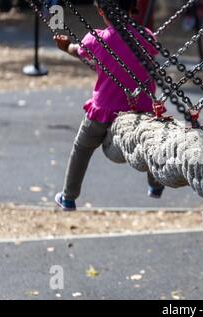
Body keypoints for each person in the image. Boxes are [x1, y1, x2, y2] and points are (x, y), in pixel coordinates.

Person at [53, 0, 165, 211]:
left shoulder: (97, 39)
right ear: (133, 8)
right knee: (152, 142)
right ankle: (155, 185)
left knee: (83, 147)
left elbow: (77, 50)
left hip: (104, 110)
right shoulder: (147, 36)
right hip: (141, 106)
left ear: (101, 11)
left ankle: (68, 197)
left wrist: (65, 46)